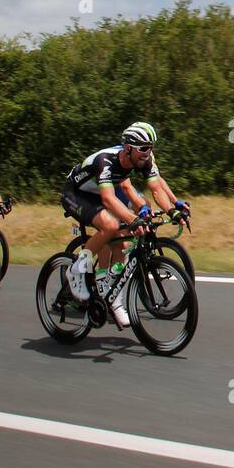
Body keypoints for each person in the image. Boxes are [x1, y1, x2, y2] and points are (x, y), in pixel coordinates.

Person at [61, 122, 189, 328]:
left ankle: (113, 298)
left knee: (123, 242)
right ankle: (76, 269)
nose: (149, 153)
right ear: (128, 148)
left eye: (151, 147)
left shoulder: (143, 160)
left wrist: (173, 210)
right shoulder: (106, 160)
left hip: (101, 194)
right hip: (76, 194)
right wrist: (133, 219)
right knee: (111, 225)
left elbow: (156, 189)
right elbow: (108, 199)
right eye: (144, 148)